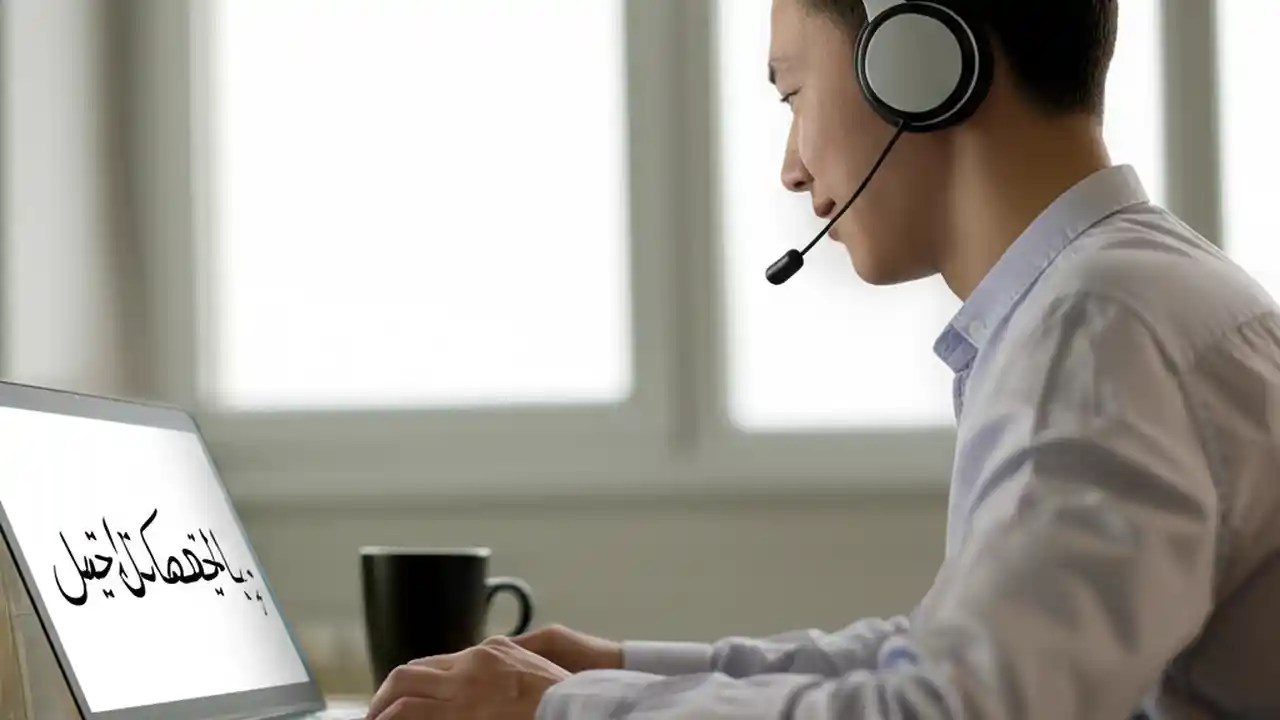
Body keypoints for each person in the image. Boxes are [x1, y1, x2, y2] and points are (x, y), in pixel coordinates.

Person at [366, 0, 1280, 717]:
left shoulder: (1099, 327)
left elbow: (955, 709)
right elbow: (938, 659)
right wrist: (615, 671)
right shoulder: (1129, 295)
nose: (792, 169)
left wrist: (563, 709)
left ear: (917, 64)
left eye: (792, 93)